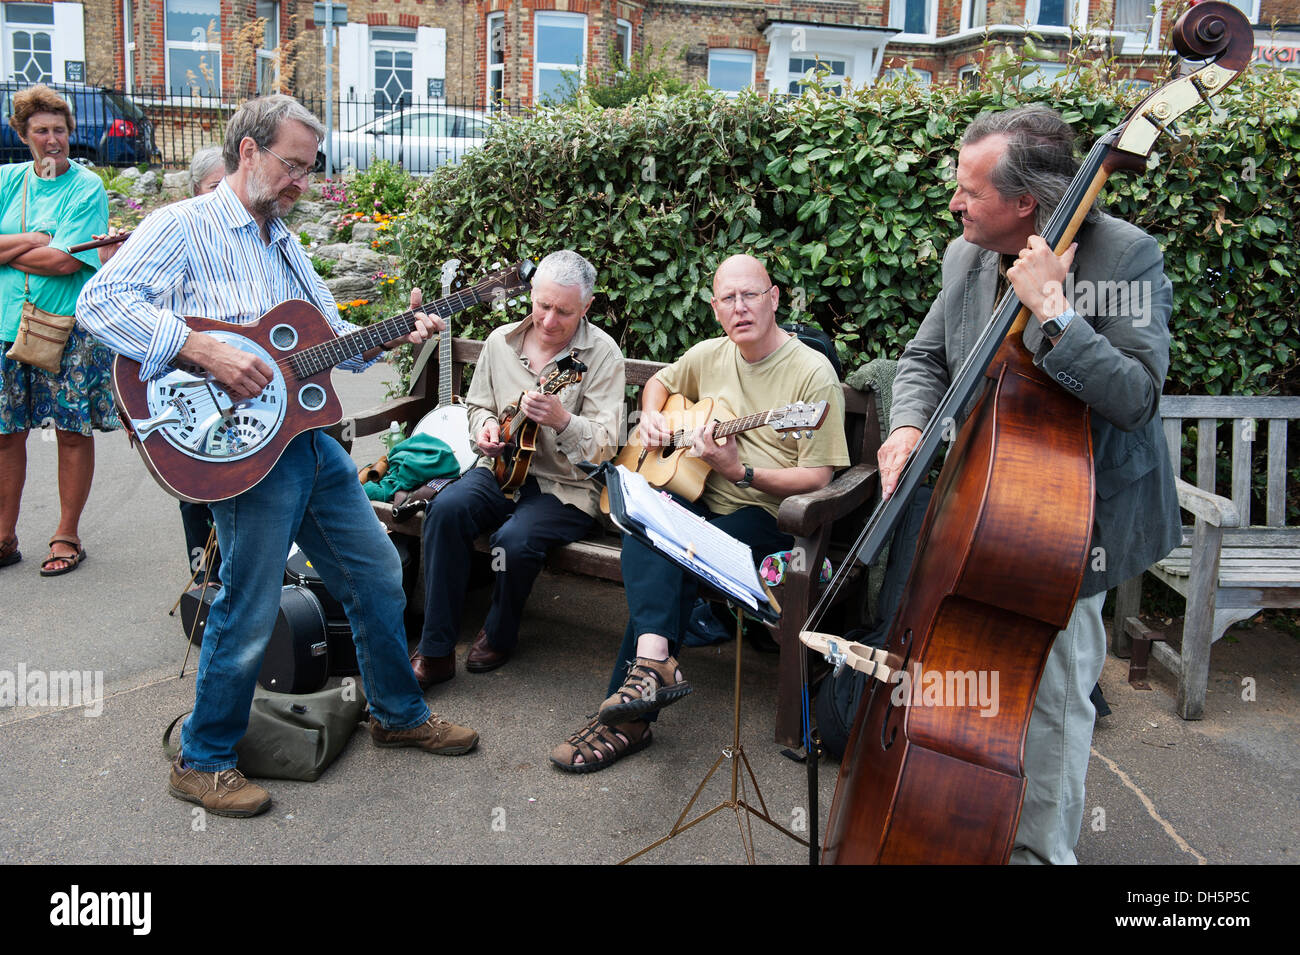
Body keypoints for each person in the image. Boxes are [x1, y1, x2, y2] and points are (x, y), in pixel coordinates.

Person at [77, 95, 478, 819]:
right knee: (251, 602)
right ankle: (203, 759)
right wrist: (199, 349)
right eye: (292, 164)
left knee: (378, 571)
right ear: (250, 151)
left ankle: (395, 710)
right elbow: (100, 302)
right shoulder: (183, 225)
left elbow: (325, 337)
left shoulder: (284, 240)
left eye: (309, 167)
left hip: (304, 439)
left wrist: (385, 334)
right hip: (234, 446)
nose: (302, 180)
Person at [876, 105, 1181, 864]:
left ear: (1025, 204)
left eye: (969, 191)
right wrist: (907, 427)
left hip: (1077, 518)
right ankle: (969, 820)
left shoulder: (1124, 257)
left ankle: (1041, 853)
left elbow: (1138, 397)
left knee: (1052, 699)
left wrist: (1055, 311)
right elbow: (922, 359)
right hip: (984, 500)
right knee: (972, 678)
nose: (954, 204)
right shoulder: (965, 257)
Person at [549, 253, 850, 771]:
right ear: (715, 308)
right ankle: (651, 669)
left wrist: (742, 472)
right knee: (647, 528)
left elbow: (818, 480)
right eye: (728, 298)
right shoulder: (710, 355)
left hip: (768, 518)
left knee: (674, 551)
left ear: (774, 298)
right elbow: (661, 384)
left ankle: (631, 712)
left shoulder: (811, 375)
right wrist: (651, 421)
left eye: (750, 295)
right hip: (703, 502)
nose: (740, 307)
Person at [412, 250, 624, 686]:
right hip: (500, 471)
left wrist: (562, 420)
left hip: (564, 488)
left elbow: (605, 446)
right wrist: (486, 426)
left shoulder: (603, 355)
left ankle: (501, 630)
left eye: (564, 311)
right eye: (542, 305)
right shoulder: (500, 341)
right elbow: (478, 405)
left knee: (514, 540)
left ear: (586, 306)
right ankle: (435, 651)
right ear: (531, 294)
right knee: (446, 509)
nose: (548, 321)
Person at [0, 85, 117, 577]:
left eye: (60, 130)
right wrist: (34, 238)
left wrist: (14, 247)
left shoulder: (84, 187)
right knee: (6, 435)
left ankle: (66, 534)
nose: (53, 140)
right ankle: (3, 537)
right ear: (23, 134)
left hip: (68, 328)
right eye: (42, 131)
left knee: (71, 432)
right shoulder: (7, 180)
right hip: (7, 327)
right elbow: (46, 250)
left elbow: (64, 258)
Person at [98, 142, 228, 579]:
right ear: (193, 190)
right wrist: (113, 266)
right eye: (214, 187)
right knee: (192, 489)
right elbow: (119, 314)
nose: (223, 196)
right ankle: (204, 580)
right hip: (179, 392)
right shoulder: (175, 235)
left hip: (228, 391)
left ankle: (237, 580)